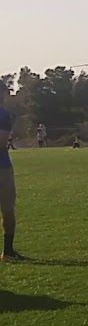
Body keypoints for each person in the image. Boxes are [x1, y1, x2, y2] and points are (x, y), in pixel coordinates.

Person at [0, 86, 23, 261]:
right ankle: (8, 251)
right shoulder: (3, 114)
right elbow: (1, 143)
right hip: (2, 167)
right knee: (7, 208)